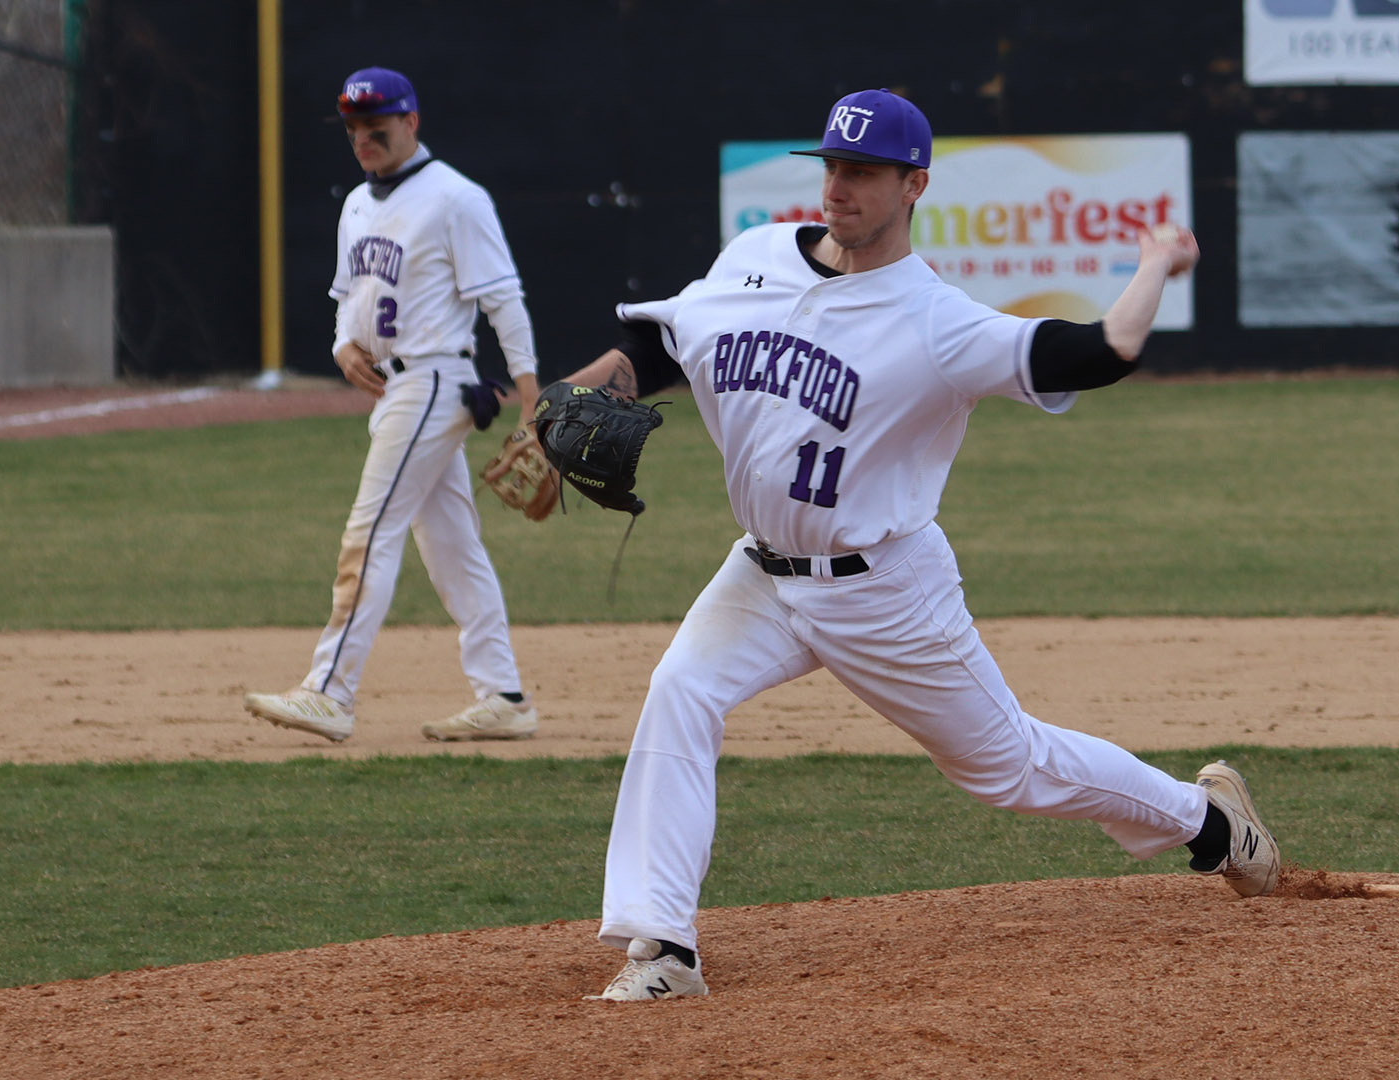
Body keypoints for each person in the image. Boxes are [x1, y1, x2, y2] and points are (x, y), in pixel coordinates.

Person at [501, 88, 1280, 1001]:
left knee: (1011, 768)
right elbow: (662, 344)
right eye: (832, 165)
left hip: (884, 590)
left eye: (863, 173)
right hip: (761, 573)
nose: (839, 186)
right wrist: (567, 404)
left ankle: (1209, 823)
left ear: (914, 185)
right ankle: (664, 948)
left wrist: (1153, 264)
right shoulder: (755, 257)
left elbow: (1100, 350)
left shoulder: (937, 323)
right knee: (681, 689)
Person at [244, 67, 542, 745]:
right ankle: (504, 696)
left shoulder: (456, 198)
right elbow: (350, 299)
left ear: (411, 122)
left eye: (375, 126)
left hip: (433, 382)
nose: (362, 139)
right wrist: (342, 346)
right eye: (352, 128)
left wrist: (531, 400)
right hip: (396, 388)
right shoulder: (356, 203)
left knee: (370, 531)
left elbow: (503, 301)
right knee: (452, 548)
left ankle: (329, 691)